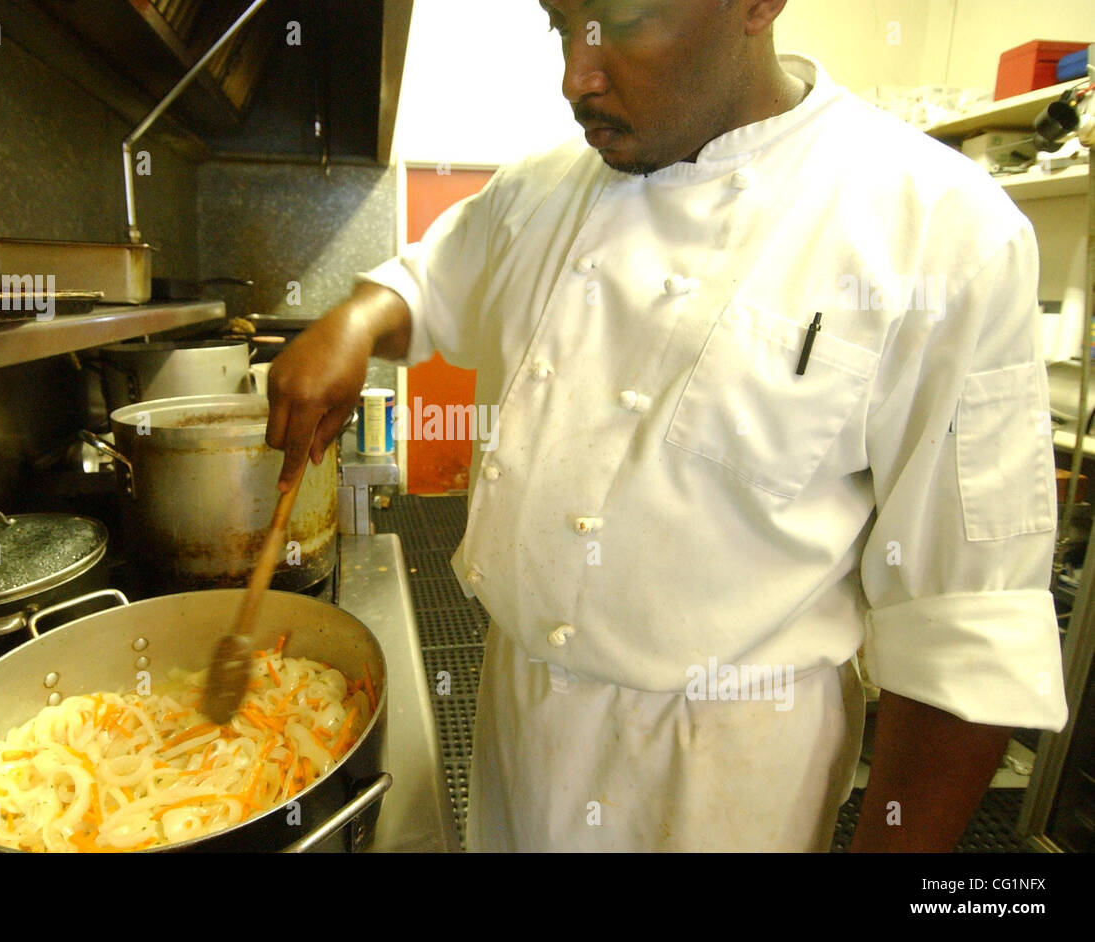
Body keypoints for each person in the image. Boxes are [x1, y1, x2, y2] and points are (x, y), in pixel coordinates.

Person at [264, 0, 1069, 851]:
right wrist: (352, 322)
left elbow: (965, 629)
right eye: (560, 23)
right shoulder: (541, 189)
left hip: (720, 782)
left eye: (624, 19)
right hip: (517, 725)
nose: (577, 74)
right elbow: (427, 285)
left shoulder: (940, 232)